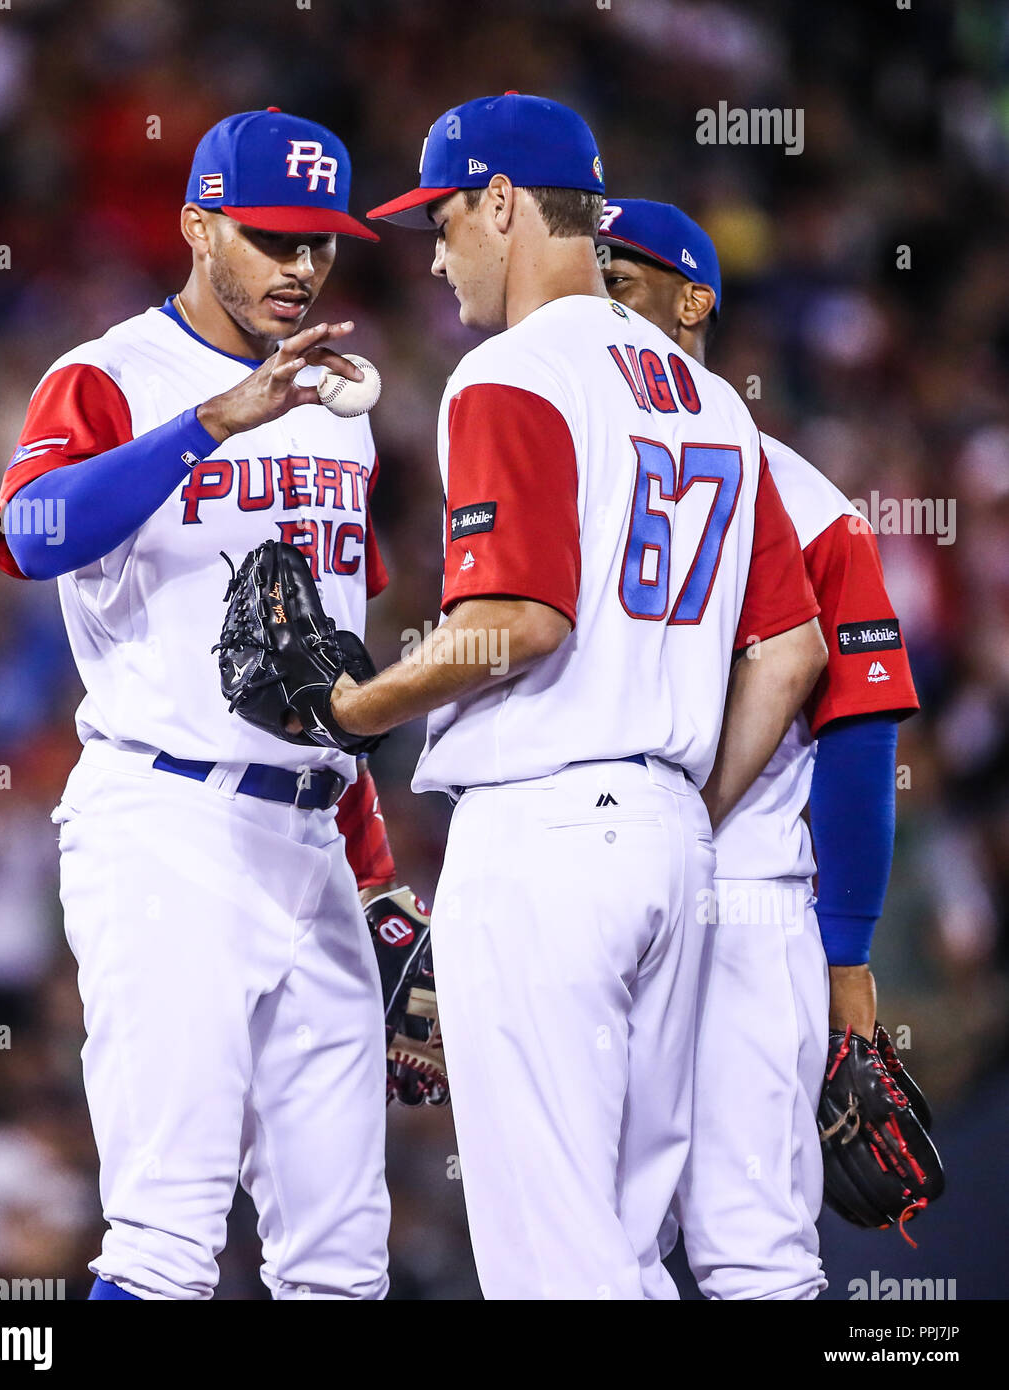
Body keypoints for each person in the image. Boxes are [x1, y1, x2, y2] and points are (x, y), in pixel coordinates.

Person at [307, 92, 827, 1299]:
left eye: (441, 220)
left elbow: (519, 625)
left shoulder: (509, 373)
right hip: (669, 852)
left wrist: (358, 706)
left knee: (557, 1268)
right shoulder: (714, 399)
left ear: (501, 203)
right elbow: (790, 647)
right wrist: (683, 806)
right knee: (625, 1257)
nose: (432, 254)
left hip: (545, 841)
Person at [0, 107, 409, 1301]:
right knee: (167, 1244)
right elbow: (28, 533)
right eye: (271, 240)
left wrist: (374, 874)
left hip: (314, 835)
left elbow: (338, 669)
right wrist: (212, 424)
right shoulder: (110, 373)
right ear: (197, 227)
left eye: (318, 242)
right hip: (170, 821)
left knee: (340, 1263)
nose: (301, 267)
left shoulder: (343, 403)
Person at [598, 198, 920, 1298]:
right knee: (607, 1250)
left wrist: (848, 954)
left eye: (623, 278)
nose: (599, 298)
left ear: (695, 300)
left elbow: (860, 732)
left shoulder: (808, 500)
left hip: (740, 887)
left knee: (750, 1253)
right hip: (613, 881)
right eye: (586, 275)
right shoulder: (573, 473)